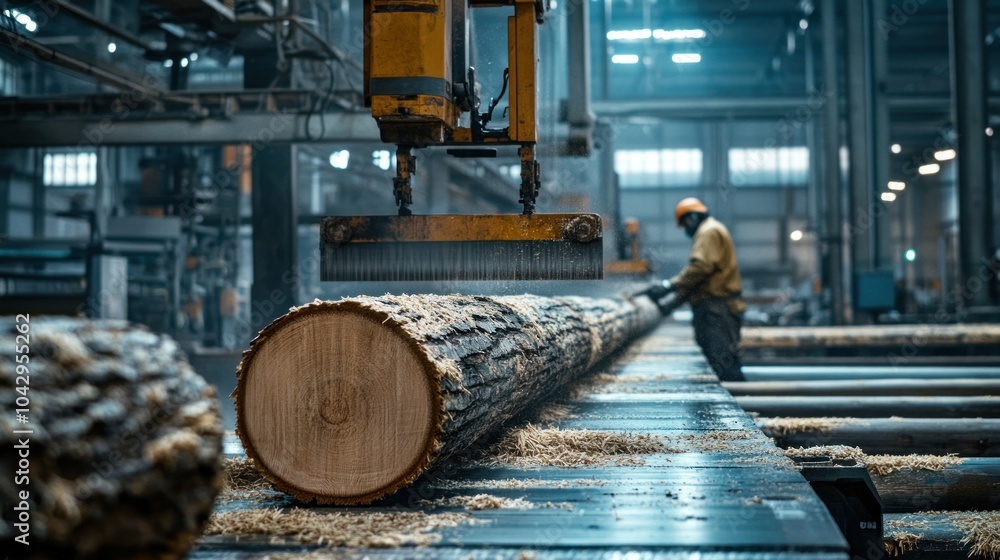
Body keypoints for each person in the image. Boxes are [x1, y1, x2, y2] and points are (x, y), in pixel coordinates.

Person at [647, 197, 746, 382]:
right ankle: (735, 397)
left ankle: (738, 402)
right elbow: (698, 282)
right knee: (720, 361)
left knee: (723, 363)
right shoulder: (710, 230)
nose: (685, 230)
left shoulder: (708, 231)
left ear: (692, 218)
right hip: (714, 309)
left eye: (684, 224)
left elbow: (700, 268)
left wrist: (668, 286)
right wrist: (670, 304)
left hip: (717, 310)